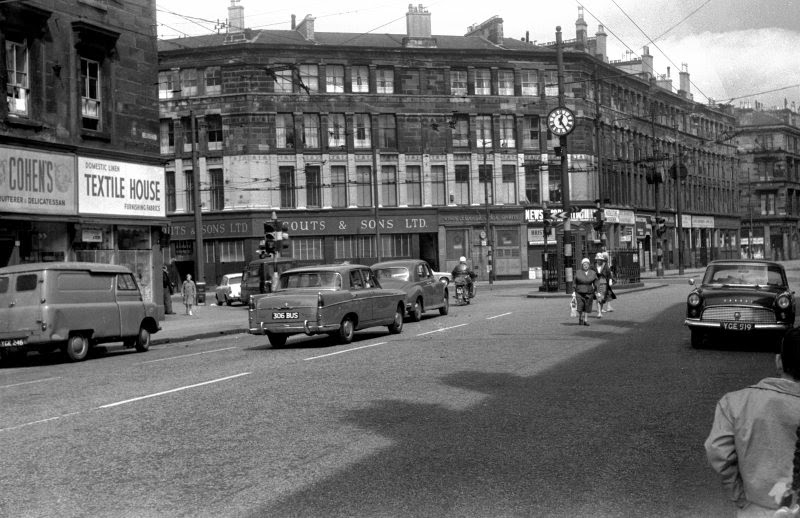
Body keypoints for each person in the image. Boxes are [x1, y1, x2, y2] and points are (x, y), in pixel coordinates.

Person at [705, 327, 800, 516]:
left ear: (779, 361)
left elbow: (718, 452)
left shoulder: (734, 403)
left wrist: (740, 497)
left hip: (756, 507)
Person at [573, 258, 598, 326]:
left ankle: (586, 320)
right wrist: (573, 291)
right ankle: (580, 318)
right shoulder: (578, 272)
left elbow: (596, 282)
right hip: (579, 292)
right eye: (584, 264)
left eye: (587, 264)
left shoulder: (593, 273)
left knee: (587, 306)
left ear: (589, 265)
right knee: (580, 306)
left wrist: (597, 290)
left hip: (589, 292)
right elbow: (574, 282)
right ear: (582, 265)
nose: (585, 266)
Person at [593, 252, 616, 317]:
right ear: (596, 260)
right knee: (598, 297)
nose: (599, 261)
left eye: (600, 260)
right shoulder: (593, 266)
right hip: (596, 283)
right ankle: (599, 312)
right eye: (598, 259)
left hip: (604, 284)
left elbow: (609, 274)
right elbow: (591, 274)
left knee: (602, 298)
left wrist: (610, 280)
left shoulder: (605, 266)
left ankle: (600, 310)